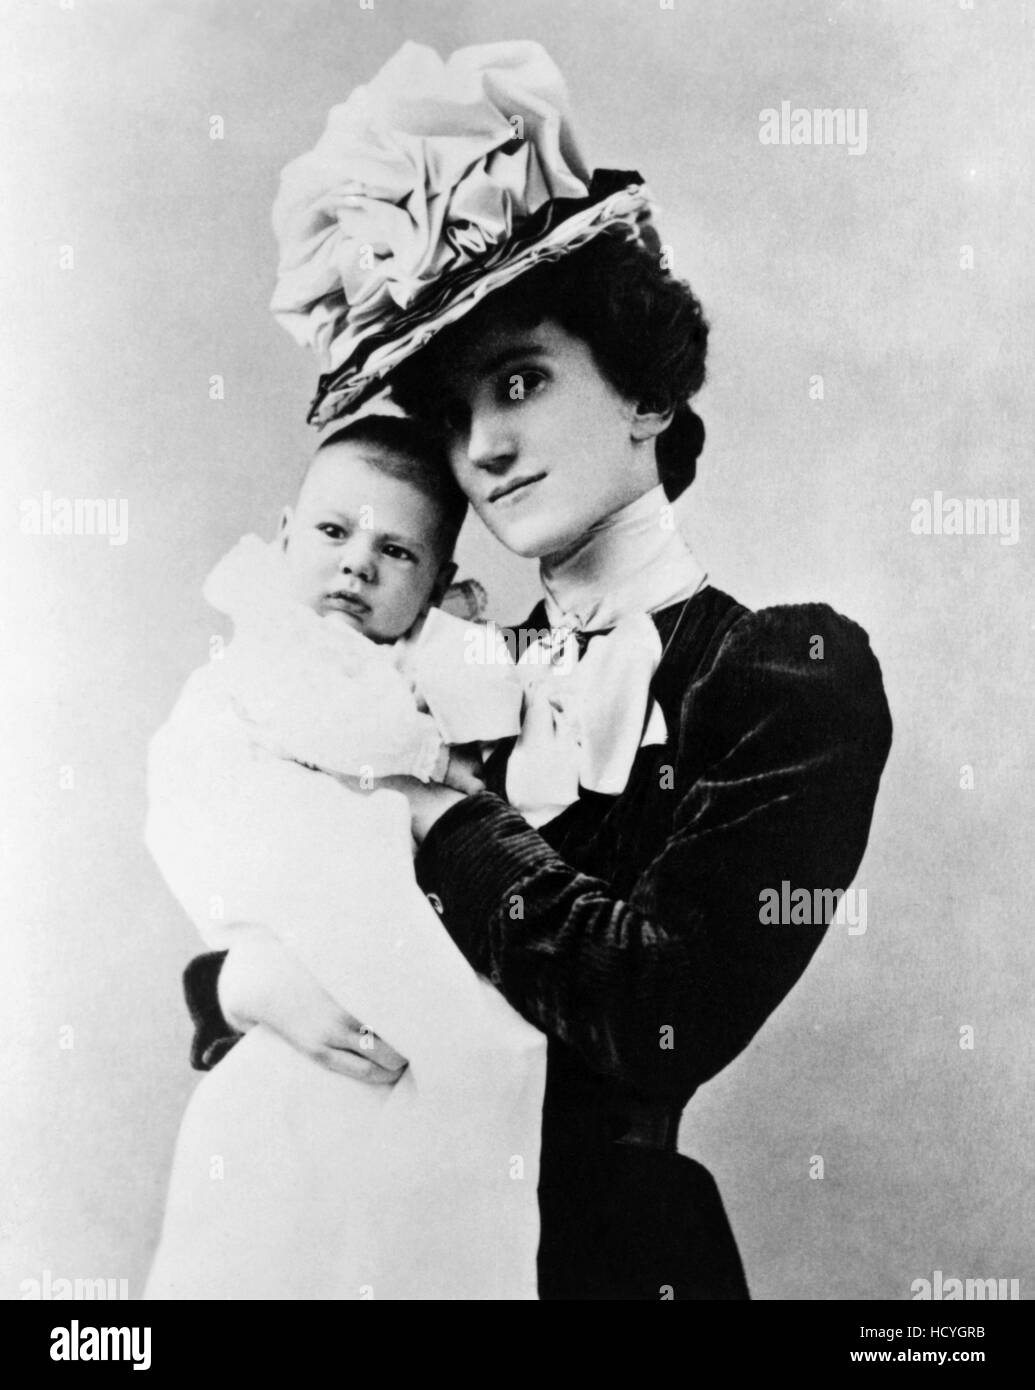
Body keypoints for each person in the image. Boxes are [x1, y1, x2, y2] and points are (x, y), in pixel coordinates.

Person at [181, 40, 893, 1300]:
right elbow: (276, 848)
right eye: (454, 416)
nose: (484, 448)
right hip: (378, 1253)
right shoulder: (442, 662)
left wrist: (439, 809)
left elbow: (660, 1010)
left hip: (604, 1272)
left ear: (648, 392)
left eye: (520, 381)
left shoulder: (784, 675)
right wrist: (230, 982)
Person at [144, 406, 546, 1300]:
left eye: (396, 553)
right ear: (286, 537)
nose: (357, 562)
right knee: (268, 1187)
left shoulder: (433, 660)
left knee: (424, 1153)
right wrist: (432, 762)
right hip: (300, 916)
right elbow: (316, 740)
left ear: (439, 580)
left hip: (405, 955)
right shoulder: (278, 647)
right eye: (332, 531)